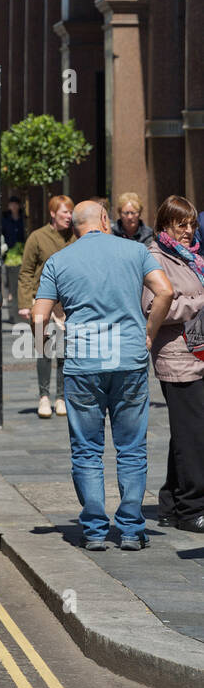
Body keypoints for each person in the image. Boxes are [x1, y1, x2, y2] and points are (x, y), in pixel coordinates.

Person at [33, 200, 173, 551]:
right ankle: (129, 527)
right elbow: (165, 290)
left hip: (83, 365)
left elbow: (38, 318)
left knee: (86, 450)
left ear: (74, 226)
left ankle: (95, 529)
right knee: (131, 448)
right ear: (105, 220)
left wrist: (45, 351)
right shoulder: (134, 251)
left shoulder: (58, 261)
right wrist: (149, 332)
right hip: (128, 359)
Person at [142, 195, 204, 532]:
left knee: (186, 432)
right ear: (166, 224)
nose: (188, 231)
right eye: (182, 225)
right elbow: (154, 308)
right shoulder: (155, 257)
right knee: (194, 434)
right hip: (176, 357)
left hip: (195, 353)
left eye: (192, 224)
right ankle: (193, 508)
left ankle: (170, 502)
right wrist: (200, 301)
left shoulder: (189, 257)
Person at [18, 195, 74, 417]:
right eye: (64, 213)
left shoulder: (75, 237)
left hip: (67, 304)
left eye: (71, 213)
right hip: (42, 301)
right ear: (53, 214)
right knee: (44, 350)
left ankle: (61, 397)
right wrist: (24, 303)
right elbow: (26, 272)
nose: (69, 217)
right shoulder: (38, 237)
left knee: (63, 352)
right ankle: (43, 397)